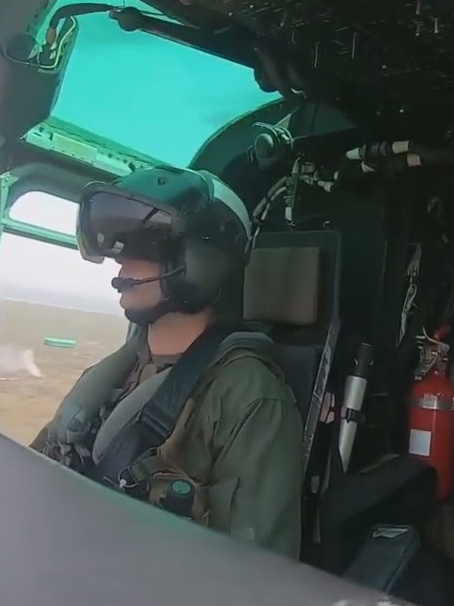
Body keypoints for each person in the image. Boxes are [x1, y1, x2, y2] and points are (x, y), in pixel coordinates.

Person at [31, 164, 304, 558]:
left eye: (144, 246)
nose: (119, 265)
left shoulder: (250, 397)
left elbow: (260, 578)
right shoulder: (112, 374)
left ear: (201, 258)